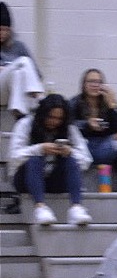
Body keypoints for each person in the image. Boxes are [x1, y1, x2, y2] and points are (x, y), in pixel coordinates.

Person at [11, 93, 91, 227]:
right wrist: (39, 149)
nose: (54, 122)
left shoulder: (69, 128)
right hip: (27, 178)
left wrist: (70, 152)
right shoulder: (26, 124)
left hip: (55, 179)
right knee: (35, 160)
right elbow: (14, 156)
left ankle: (76, 207)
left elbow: (86, 160)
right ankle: (40, 207)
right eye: (51, 117)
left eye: (59, 118)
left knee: (71, 160)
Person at [70, 68, 117, 199]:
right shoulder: (74, 103)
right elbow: (68, 126)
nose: (95, 85)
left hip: (104, 146)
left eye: (98, 82)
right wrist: (87, 124)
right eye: (91, 81)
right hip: (83, 147)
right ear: (84, 84)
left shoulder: (107, 102)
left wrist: (113, 105)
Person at [0, 1, 47, 117]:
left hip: (14, 93)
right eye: (0, 29)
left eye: (6, 29)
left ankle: (18, 108)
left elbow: (37, 74)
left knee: (18, 73)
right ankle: (40, 98)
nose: (2, 33)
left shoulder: (19, 46)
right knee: (23, 61)